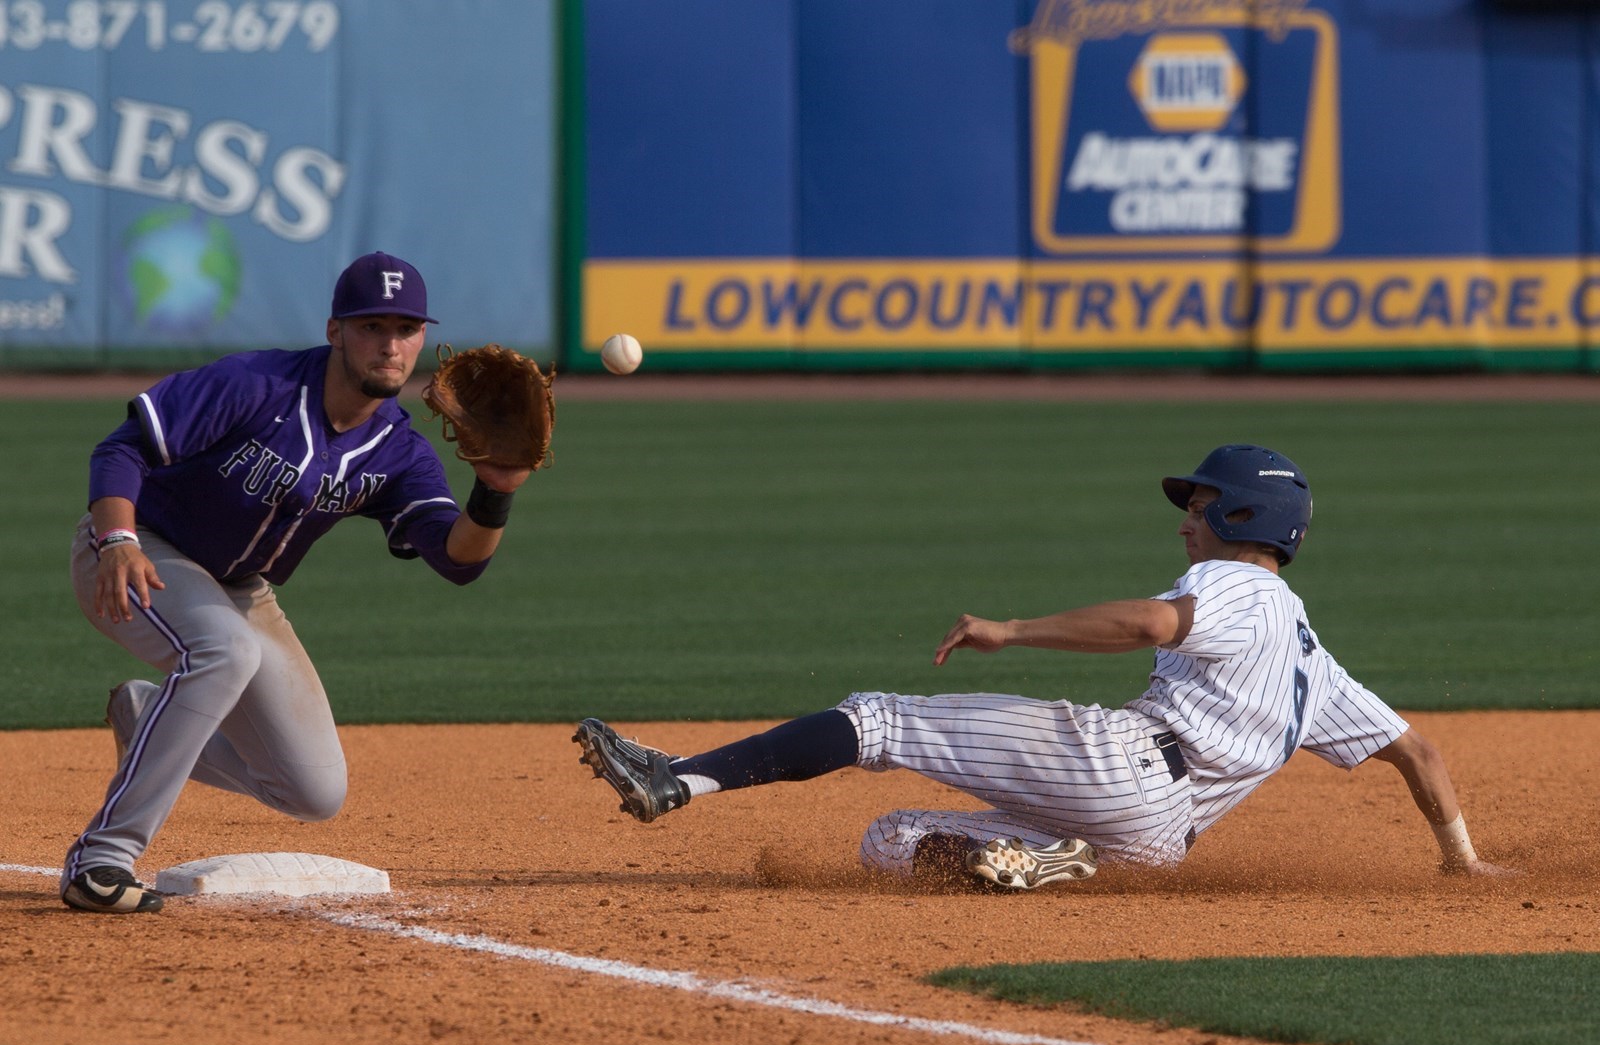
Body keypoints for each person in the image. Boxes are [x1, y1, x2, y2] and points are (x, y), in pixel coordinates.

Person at [574, 444, 1511, 890]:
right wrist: (1461, 863)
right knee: (891, 838)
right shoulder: (1316, 661)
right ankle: (1043, 863)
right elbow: (1420, 754)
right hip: (1154, 841)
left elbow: (1151, 622)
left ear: (1243, 524)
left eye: (1204, 502)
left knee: (880, 718)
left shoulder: (1239, 586)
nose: (1187, 514)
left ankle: (680, 780)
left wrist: (1014, 629)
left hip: (1130, 766)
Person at [62, 251, 535, 914]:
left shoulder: (398, 451)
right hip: (138, 550)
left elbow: (458, 558)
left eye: (405, 328)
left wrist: (495, 490)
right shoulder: (256, 383)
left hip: (239, 588)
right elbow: (124, 447)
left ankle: (148, 714)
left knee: (313, 790)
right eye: (372, 326)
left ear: (421, 338)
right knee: (226, 650)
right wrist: (117, 540)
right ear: (335, 330)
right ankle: (101, 859)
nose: (390, 343)